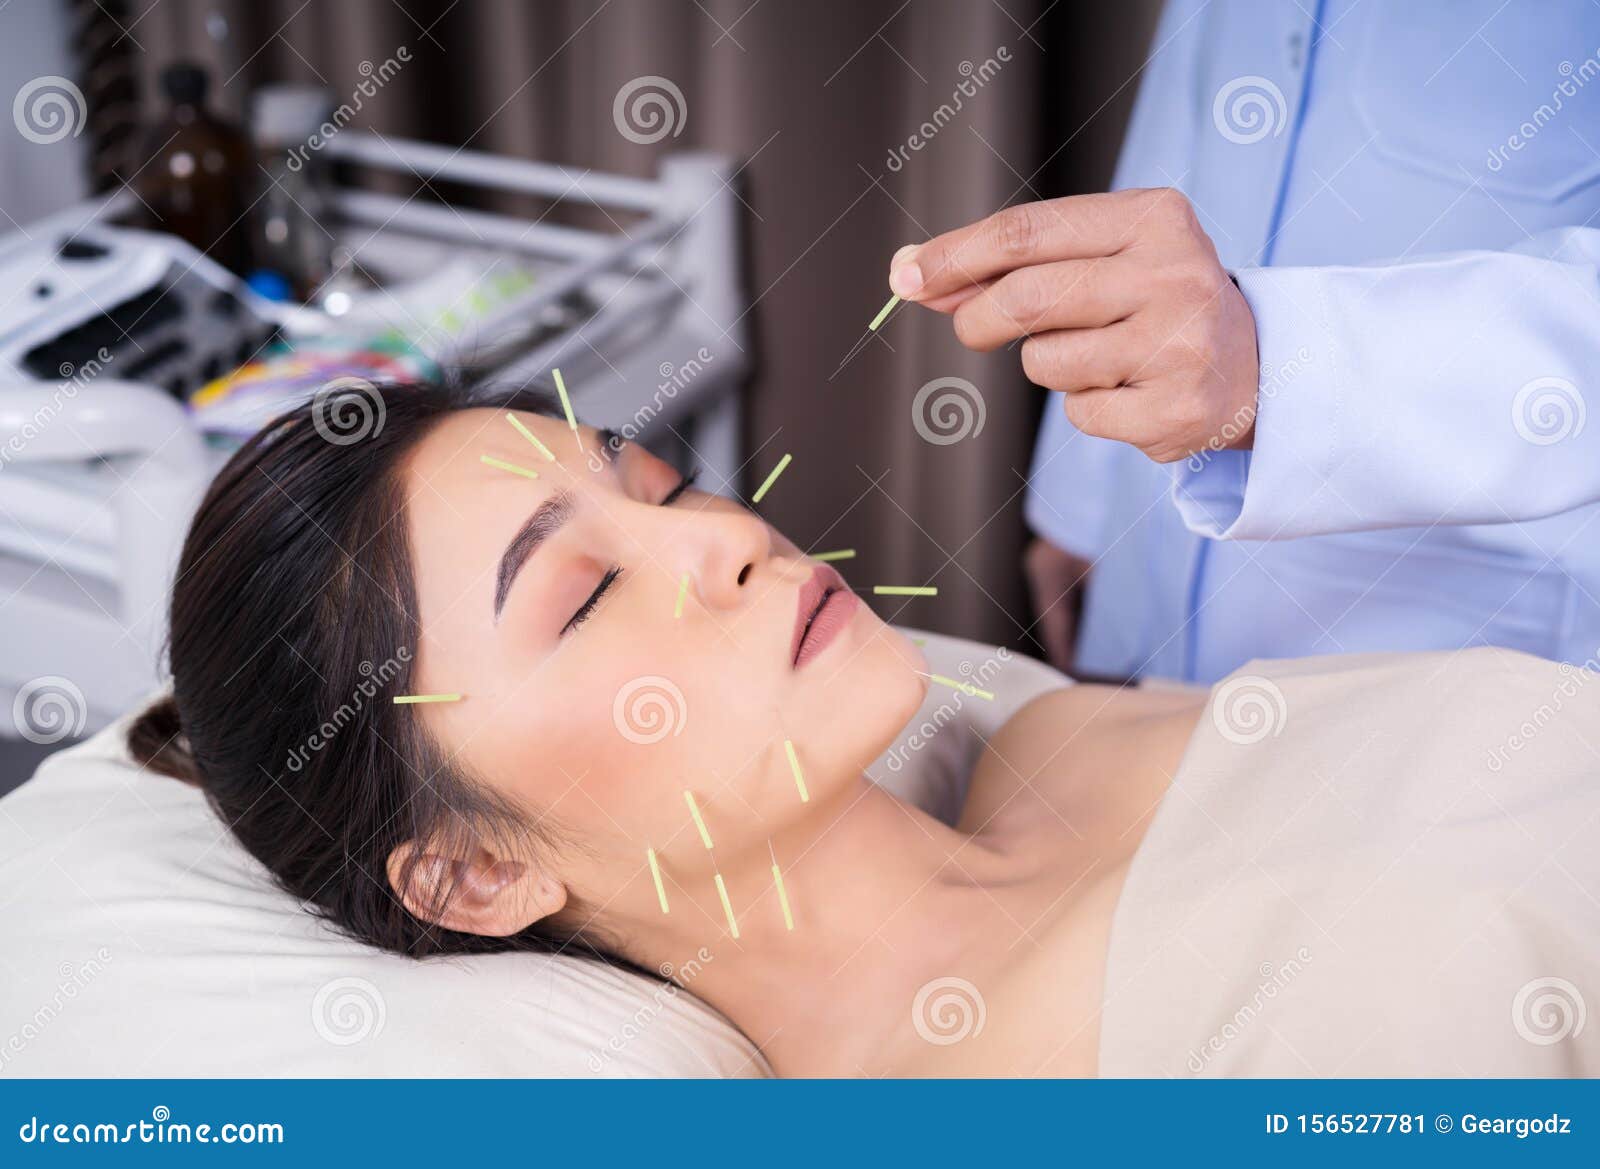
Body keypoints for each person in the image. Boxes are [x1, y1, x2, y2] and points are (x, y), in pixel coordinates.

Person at [128, 382, 1600, 1076]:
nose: (722, 541)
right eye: (586, 596)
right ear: (476, 872)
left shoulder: (1050, 745)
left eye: (658, 487)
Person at [889, 2, 1600, 682]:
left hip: (1458, 636)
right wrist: (1080, 503)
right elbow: (1182, 117)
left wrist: (1272, 366)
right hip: (1146, 568)